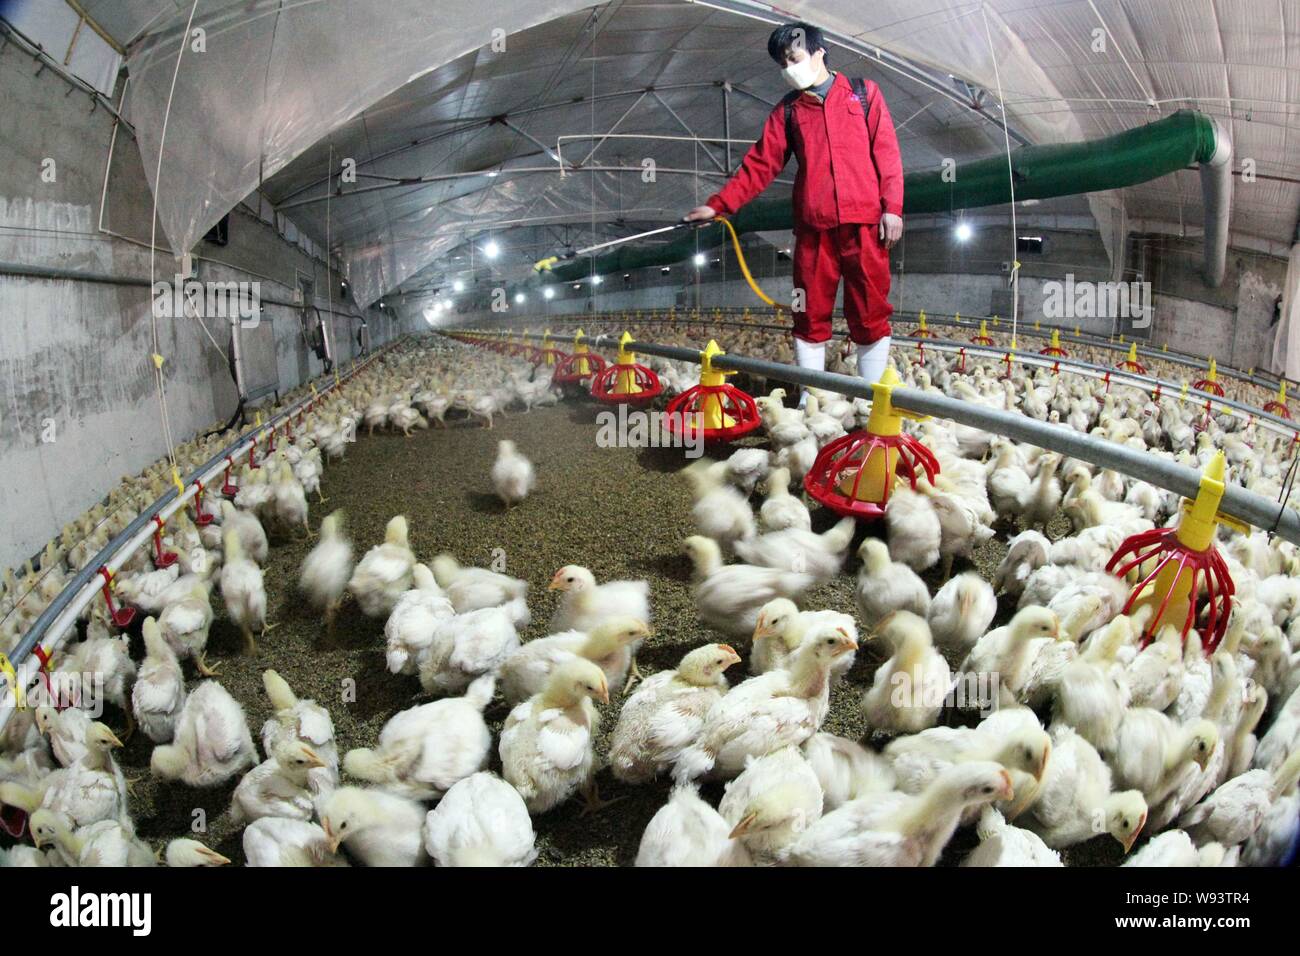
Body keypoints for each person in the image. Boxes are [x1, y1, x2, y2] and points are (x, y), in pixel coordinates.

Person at [684, 21, 903, 394]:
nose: (788, 68)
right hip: (813, 232)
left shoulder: (864, 94)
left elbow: (887, 153)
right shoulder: (788, 111)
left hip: (864, 226)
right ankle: (811, 400)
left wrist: (892, 207)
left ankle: (871, 400)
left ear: (819, 51)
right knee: (808, 314)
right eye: (782, 63)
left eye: (794, 57)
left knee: (870, 311)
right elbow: (759, 165)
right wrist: (718, 206)